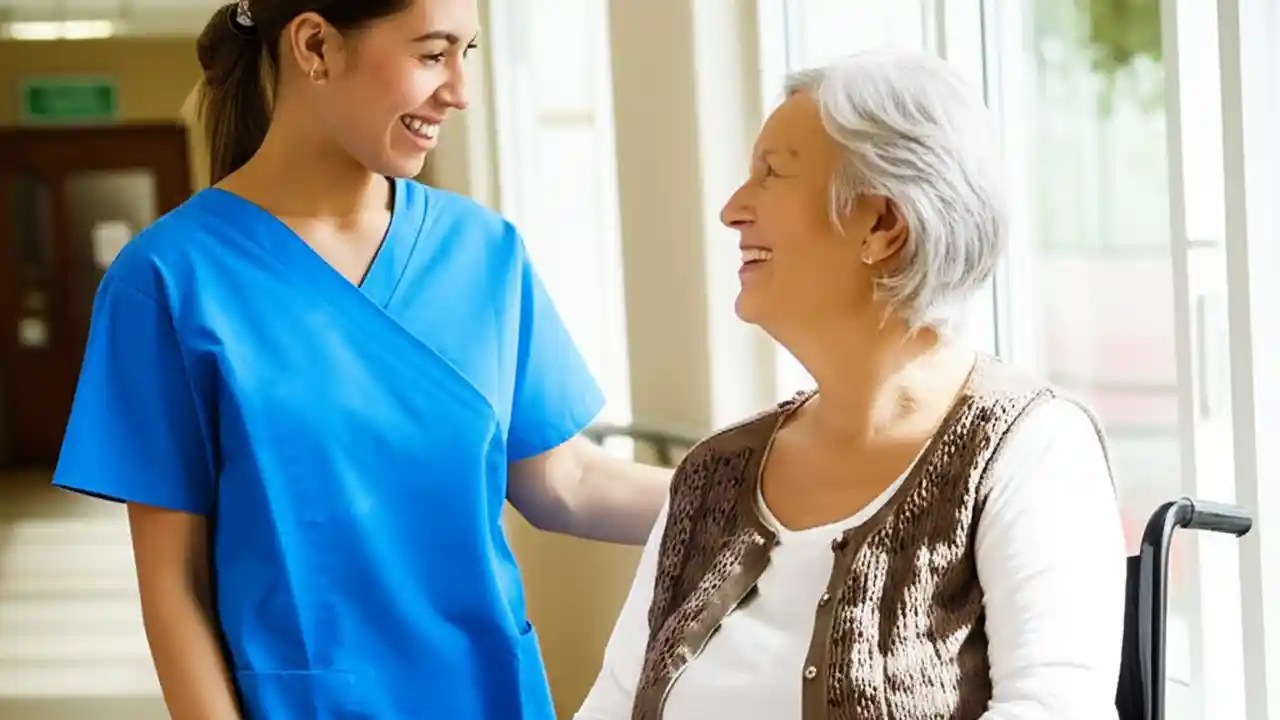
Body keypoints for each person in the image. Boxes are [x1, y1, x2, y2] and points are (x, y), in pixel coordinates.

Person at [51, 1, 670, 718]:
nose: (461, 90)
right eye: (432, 54)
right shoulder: (168, 278)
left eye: (468, 52)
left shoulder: (484, 253)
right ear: (315, 45)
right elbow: (174, 588)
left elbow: (566, 483)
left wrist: (769, 486)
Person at [576, 50, 1126, 720]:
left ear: (881, 224)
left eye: (771, 175)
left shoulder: (1031, 450)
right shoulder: (709, 478)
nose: (731, 210)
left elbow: (1054, 709)